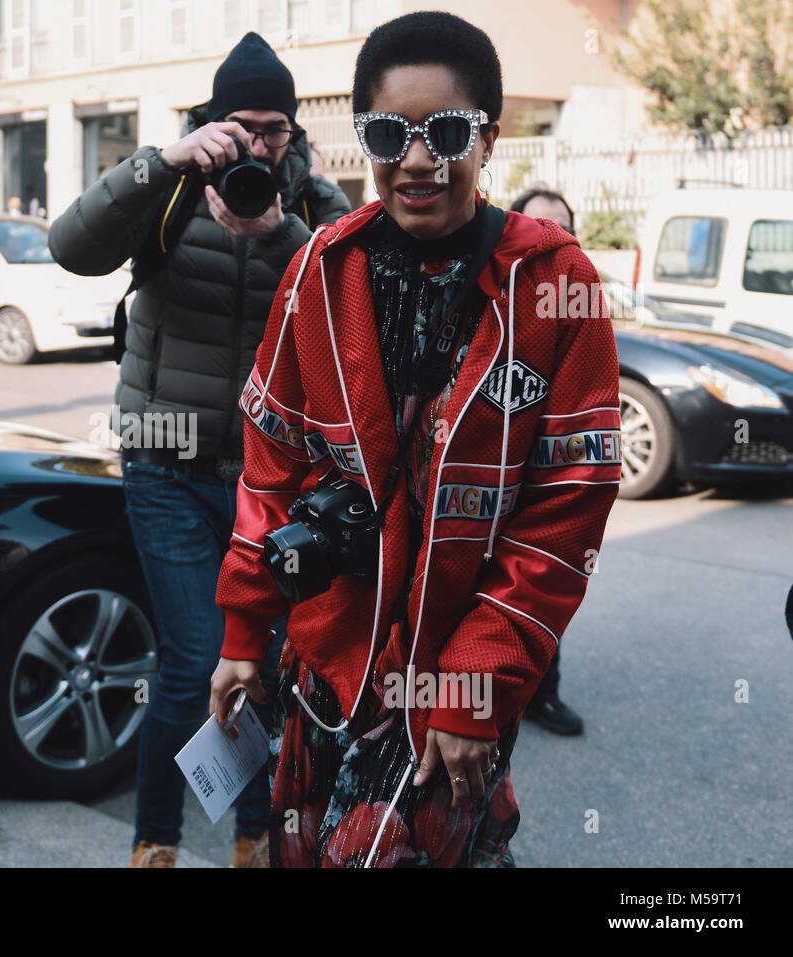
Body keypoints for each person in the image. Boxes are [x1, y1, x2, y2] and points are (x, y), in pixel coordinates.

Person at [210, 11, 620, 867]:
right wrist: (245, 635)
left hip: (454, 688)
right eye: (391, 133)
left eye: (447, 131)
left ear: (489, 137)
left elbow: (565, 517)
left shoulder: (555, 286)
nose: (420, 159)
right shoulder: (319, 272)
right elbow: (269, 469)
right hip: (327, 674)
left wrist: (478, 680)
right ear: (363, 134)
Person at [50, 31, 350, 868]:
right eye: (243, 127)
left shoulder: (311, 210)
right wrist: (164, 162)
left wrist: (278, 226)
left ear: (293, 133)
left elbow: (342, 306)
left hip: (269, 479)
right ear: (214, 123)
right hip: (166, 464)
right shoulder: (170, 189)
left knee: (256, 659)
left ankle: (255, 836)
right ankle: (157, 842)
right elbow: (69, 247)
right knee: (189, 658)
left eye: (275, 130)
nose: (258, 145)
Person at [510, 186, 584, 736]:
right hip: (490, 483)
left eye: (563, 229)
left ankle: (542, 693)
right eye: (540, 227)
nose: (552, 238)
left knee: (542, 585)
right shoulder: (490, 294)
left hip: (548, 481)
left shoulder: (581, 301)